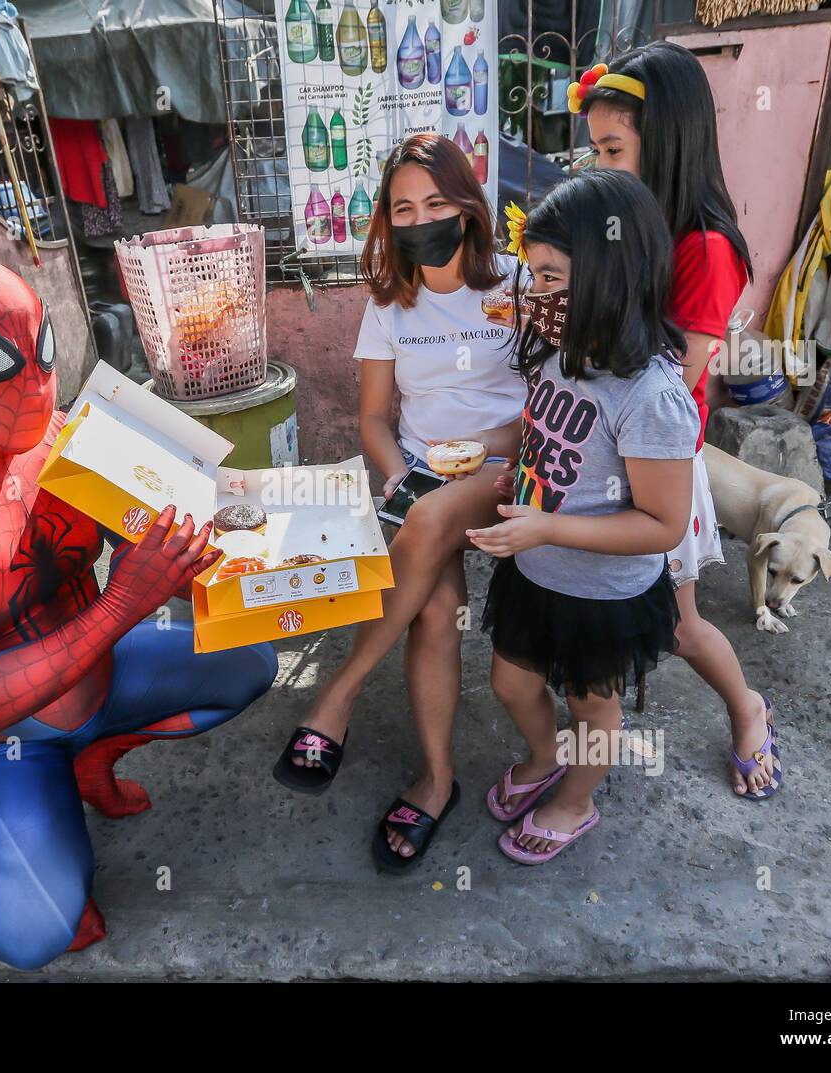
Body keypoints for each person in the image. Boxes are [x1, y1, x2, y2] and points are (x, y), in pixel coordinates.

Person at [0, 255, 277, 970]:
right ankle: (23, 796)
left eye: (40, 350)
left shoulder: (62, 433)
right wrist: (128, 598)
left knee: (249, 655)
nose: (32, 384)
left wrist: (241, 540)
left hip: (101, 675)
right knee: (30, 930)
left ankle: (91, 751)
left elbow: (186, 527)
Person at [271, 133, 525, 871]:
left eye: (437, 202)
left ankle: (339, 695)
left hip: (504, 467)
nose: (422, 219)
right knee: (439, 610)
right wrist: (394, 472)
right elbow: (375, 419)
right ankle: (438, 779)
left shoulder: (515, 283)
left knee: (436, 513)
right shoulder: (390, 300)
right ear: (388, 218)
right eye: (405, 207)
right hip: (414, 475)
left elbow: (544, 404)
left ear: (469, 207)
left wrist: (478, 450)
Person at [467, 169, 700, 863]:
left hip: (602, 597)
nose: (535, 295)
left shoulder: (653, 396)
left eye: (550, 278)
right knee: (510, 680)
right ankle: (545, 759)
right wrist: (483, 445)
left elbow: (663, 524)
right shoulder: (564, 355)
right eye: (532, 278)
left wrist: (546, 525)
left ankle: (578, 799)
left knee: (592, 709)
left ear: (610, 274)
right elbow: (542, 427)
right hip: (534, 572)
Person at [576, 42, 781, 799]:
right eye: (595, 150)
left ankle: (748, 709)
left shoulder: (705, 246)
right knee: (594, 597)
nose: (600, 166)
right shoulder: (631, 219)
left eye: (613, 150)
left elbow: (677, 378)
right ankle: (591, 731)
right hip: (602, 448)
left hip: (655, 461)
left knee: (677, 621)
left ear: (666, 140)